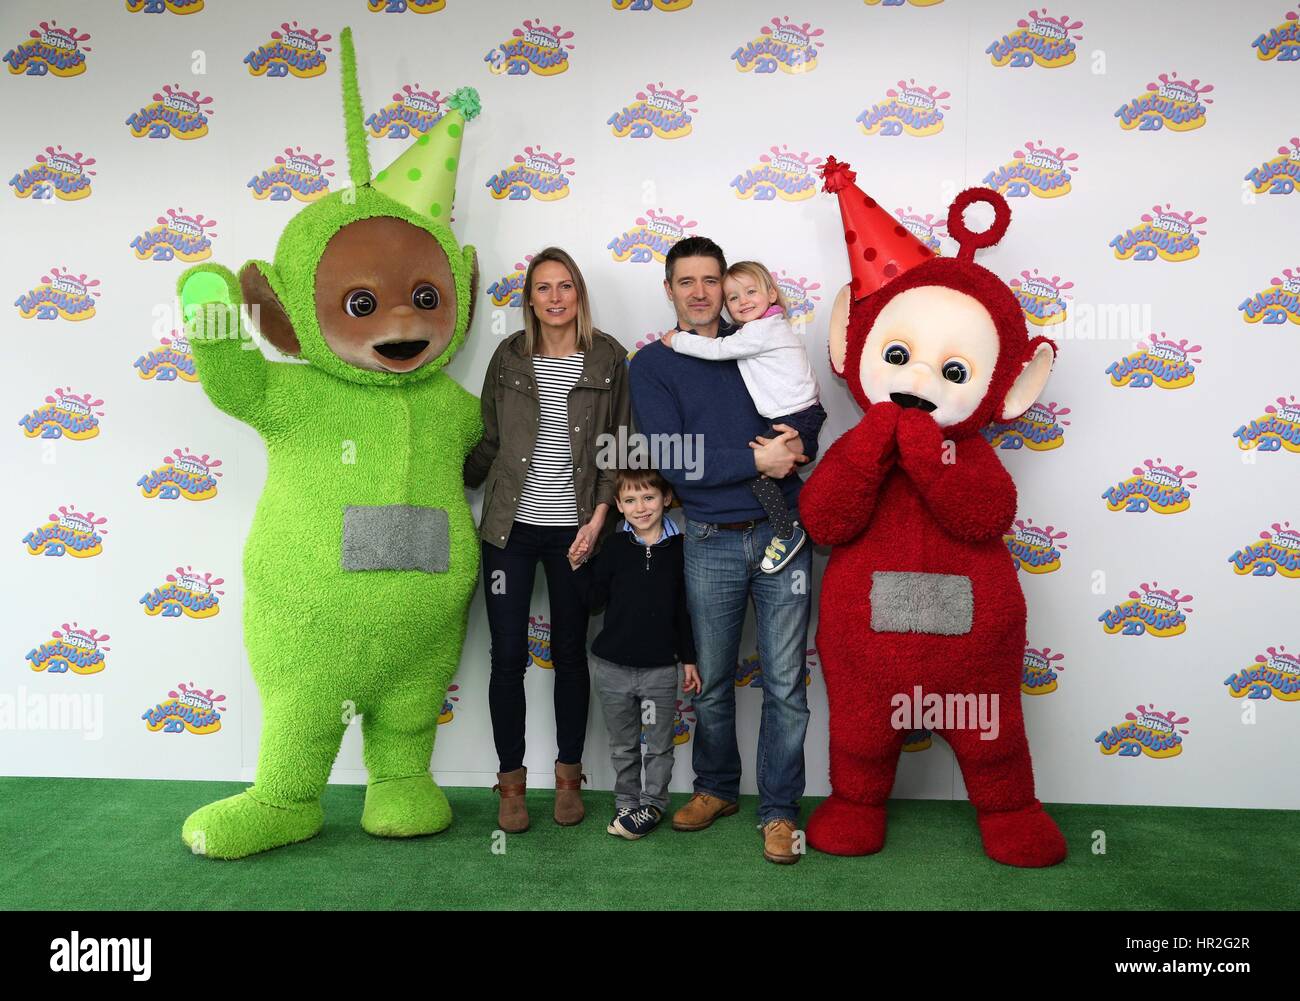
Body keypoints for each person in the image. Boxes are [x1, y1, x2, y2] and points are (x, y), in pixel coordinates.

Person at [628, 236, 817, 864]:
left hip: (781, 534)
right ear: (670, 290)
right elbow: (670, 456)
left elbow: (805, 409)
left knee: (786, 683)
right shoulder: (653, 364)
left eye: (712, 280)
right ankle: (714, 788)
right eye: (688, 282)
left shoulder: (759, 336)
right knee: (710, 682)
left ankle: (781, 810)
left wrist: (800, 442)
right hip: (708, 539)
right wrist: (757, 460)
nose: (703, 293)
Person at [464, 247, 630, 834]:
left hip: (577, 532)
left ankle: (568, 776)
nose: (555, 297)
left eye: (565, 286)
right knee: (506, 658)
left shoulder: (610, 357)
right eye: (543, 288)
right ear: (529, 298)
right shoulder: (508, 357)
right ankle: (511, 784)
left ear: (578, 294)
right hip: (509, 531)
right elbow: (487, 438)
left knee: (568, 656)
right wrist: (445, 479)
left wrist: (599, 520)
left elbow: (618, 447)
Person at [661, 260, 826, 573]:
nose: (743, 301)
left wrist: (677, 341)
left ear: (772, 294)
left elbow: (718, 349)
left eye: (751, 292)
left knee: (761, 474)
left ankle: (789, 531)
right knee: (768, 466)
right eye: (734, 297)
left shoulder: (761, 332)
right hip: (797, 415)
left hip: (796, 417)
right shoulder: (761, 329)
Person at [571, 468, 701, 840]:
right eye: (630, 500)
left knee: (659, 746)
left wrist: (689, 659)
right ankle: (627, 802)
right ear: (618, 506)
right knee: (623, 744)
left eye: (648, 498)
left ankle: (653, 804)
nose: (640, 507)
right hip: (612, 667)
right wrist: (578, 566)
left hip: (661, 669)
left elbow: (683, 610)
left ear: (666, 499)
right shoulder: (612, 547)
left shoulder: (681, 550)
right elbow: (594, 601)